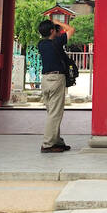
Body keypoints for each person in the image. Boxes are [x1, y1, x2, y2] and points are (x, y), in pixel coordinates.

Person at [37, 19, 74, 153]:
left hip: (45, 79)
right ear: (52, 31)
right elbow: (71, 29)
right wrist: (57, 21)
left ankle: (57, 141)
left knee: (52, 112)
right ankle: (47, 144)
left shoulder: (41, 44)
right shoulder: (57, 42)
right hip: (56, 79)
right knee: (55, 113)